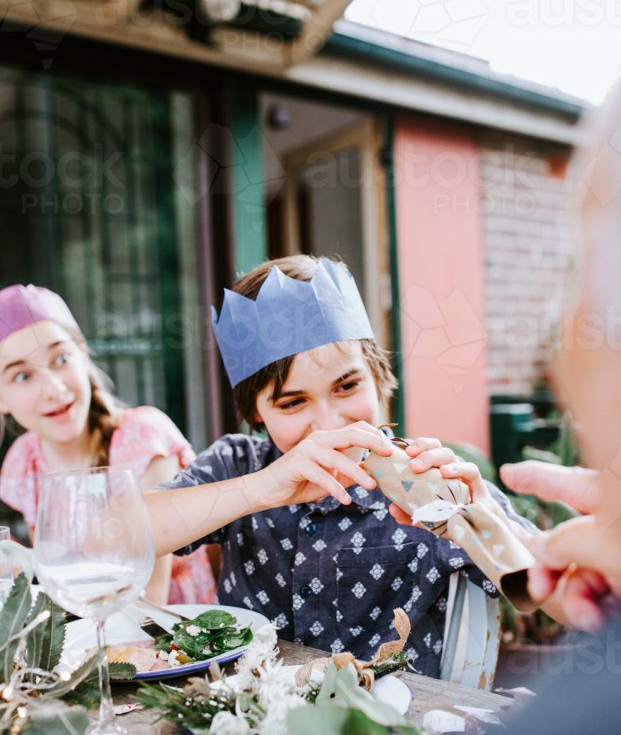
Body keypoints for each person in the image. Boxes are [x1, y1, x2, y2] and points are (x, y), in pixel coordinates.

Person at [288, 0, 621, 735]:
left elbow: (524, 602)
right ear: (256, 417)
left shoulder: (441, 469)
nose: (560, 351)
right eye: (291, 402)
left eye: (578, 278)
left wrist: (478, 525)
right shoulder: (245, 471)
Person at [147, 255, 537, 674]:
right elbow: (112, 539)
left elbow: (556, 590)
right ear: (257, 412)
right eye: (293, 402)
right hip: (250, 722)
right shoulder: (238, 464)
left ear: (377, 374)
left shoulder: (432, 478)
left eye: (347, 386)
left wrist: (488, 517)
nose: (329, 425)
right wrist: (258, 489)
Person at [0, 284, 216, 606]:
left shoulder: (144, 438)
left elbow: (150, 597)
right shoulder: (25, 459)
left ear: (83, 357)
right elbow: (55, 578)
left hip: (177, 637)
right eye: (22, 376)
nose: (54, 389)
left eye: (61, 358)